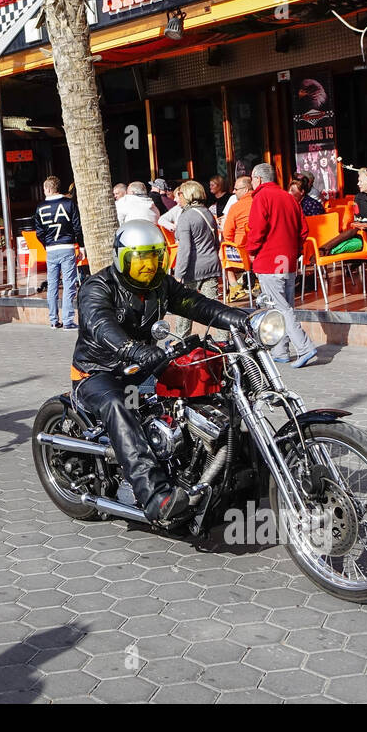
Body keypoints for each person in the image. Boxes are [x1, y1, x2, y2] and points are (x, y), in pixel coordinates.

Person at [72, 220, 247, 522]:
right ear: (122, 257)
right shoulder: (97, 287)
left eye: (154, 257)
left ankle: (220, 466)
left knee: (205, 382)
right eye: (140, 257)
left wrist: (243, 319)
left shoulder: (160, 284)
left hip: (145, 364)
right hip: (99, 372)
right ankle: (155, 496)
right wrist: (132, 348)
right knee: (118, 404)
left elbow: (197, 304)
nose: (148, 265)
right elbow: (101, 324)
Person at [246, 163, 317, 368]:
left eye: (252, 179)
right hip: (288, 259)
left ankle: (304, 347)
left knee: (279, 307)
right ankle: (281, 351)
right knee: (285, 305)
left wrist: (251, 251)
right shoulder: (289, 197)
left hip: (269, 260)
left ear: (258, 179)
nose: (251, 182)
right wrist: (294, 249)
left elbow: (257, 229)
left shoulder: (262, 197)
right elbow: (303, 230)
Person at [171, 180, 225, 339]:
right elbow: (216, 241)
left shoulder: (185, 217)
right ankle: (224, 338)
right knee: (214, 306)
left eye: (180, 194)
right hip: (211, 265)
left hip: (192, 269)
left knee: (184, 305)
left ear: (187, 195)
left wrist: (178, 274)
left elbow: (185, 248)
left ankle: (182, 338)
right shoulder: (207, 212)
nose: (177, 198)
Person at [34, 175, 83, 330]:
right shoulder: (69, 203)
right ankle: (68, 321)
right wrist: (80, 246)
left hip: (51, 249)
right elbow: (77, 226)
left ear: (48, 189)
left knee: (53, 284)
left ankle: (54, 320)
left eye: (44, 189)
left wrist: (46, 244)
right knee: (69, 284)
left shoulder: (40, 207)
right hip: (67, 247)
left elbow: (39, 232)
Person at [222, 175, 255, 300]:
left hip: (242, 252)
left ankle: (235, 287)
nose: (233, 191)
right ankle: (254, 281)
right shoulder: (260, 202)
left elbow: (227, 233)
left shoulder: (236, 207)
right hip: (259, 251)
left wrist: (229, 242)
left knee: (223, 252)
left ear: (246, 189)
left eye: (236, 189)